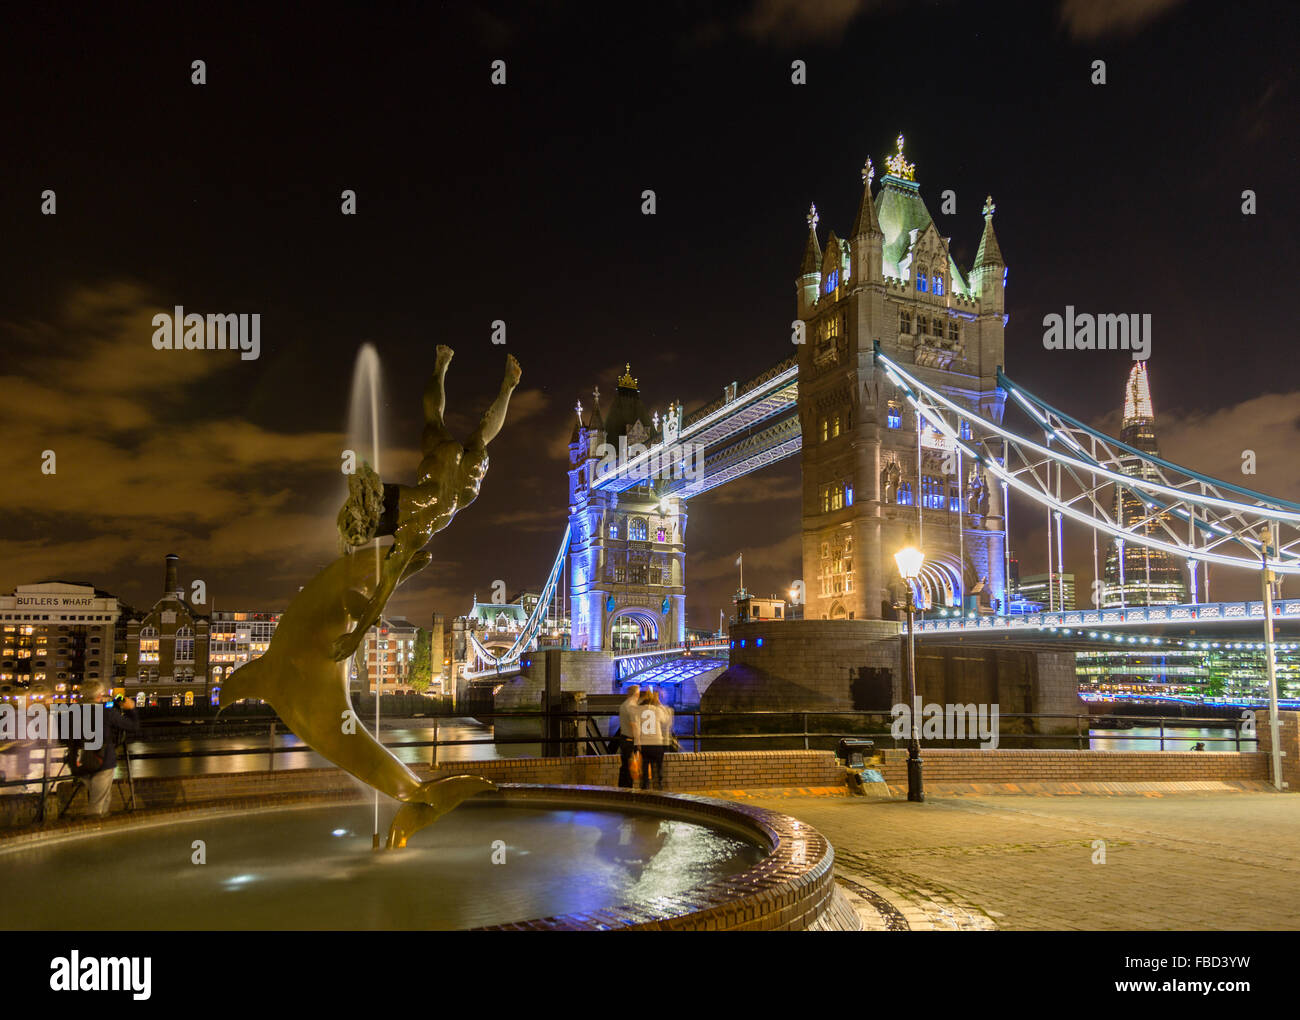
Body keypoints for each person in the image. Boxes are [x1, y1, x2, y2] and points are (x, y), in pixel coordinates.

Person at [332, 347, 522, 661]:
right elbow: (383, 588)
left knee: (479, 438)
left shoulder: (409, 534)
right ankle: (444, 366)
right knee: (436, 419)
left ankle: (503, 386)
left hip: (460, 490)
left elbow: (384, 593)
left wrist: (355, 636)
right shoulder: (394, 498)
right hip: (439, 465)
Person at [78, 686, 141, 817]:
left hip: (80, 762)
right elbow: (133, 726)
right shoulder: (106, 712)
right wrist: (131, 710)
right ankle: (93, 831)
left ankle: (103, 823)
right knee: (97, 804)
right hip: (103, 761)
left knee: (103, 798)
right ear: (98, 696)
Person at [634, 688, 674, 791]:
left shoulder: (638, 710)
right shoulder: (657, 710)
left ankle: (645, 788)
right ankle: (659, 786)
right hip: (657, 743)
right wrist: (659, 704)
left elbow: (636, 727)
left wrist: (637, 743)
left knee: (645, 768)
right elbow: (666, 720)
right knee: (658, 767)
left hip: (644, 744)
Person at [617, 684, 641, 788]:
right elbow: (634, 725)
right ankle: (628, 789)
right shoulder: (632, 707)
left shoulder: (623, 705)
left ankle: (622, 788)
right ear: (636, 693)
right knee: (630, 767)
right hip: (631, 740)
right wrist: (639, 742)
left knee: (625, 766)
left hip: (623, 738)